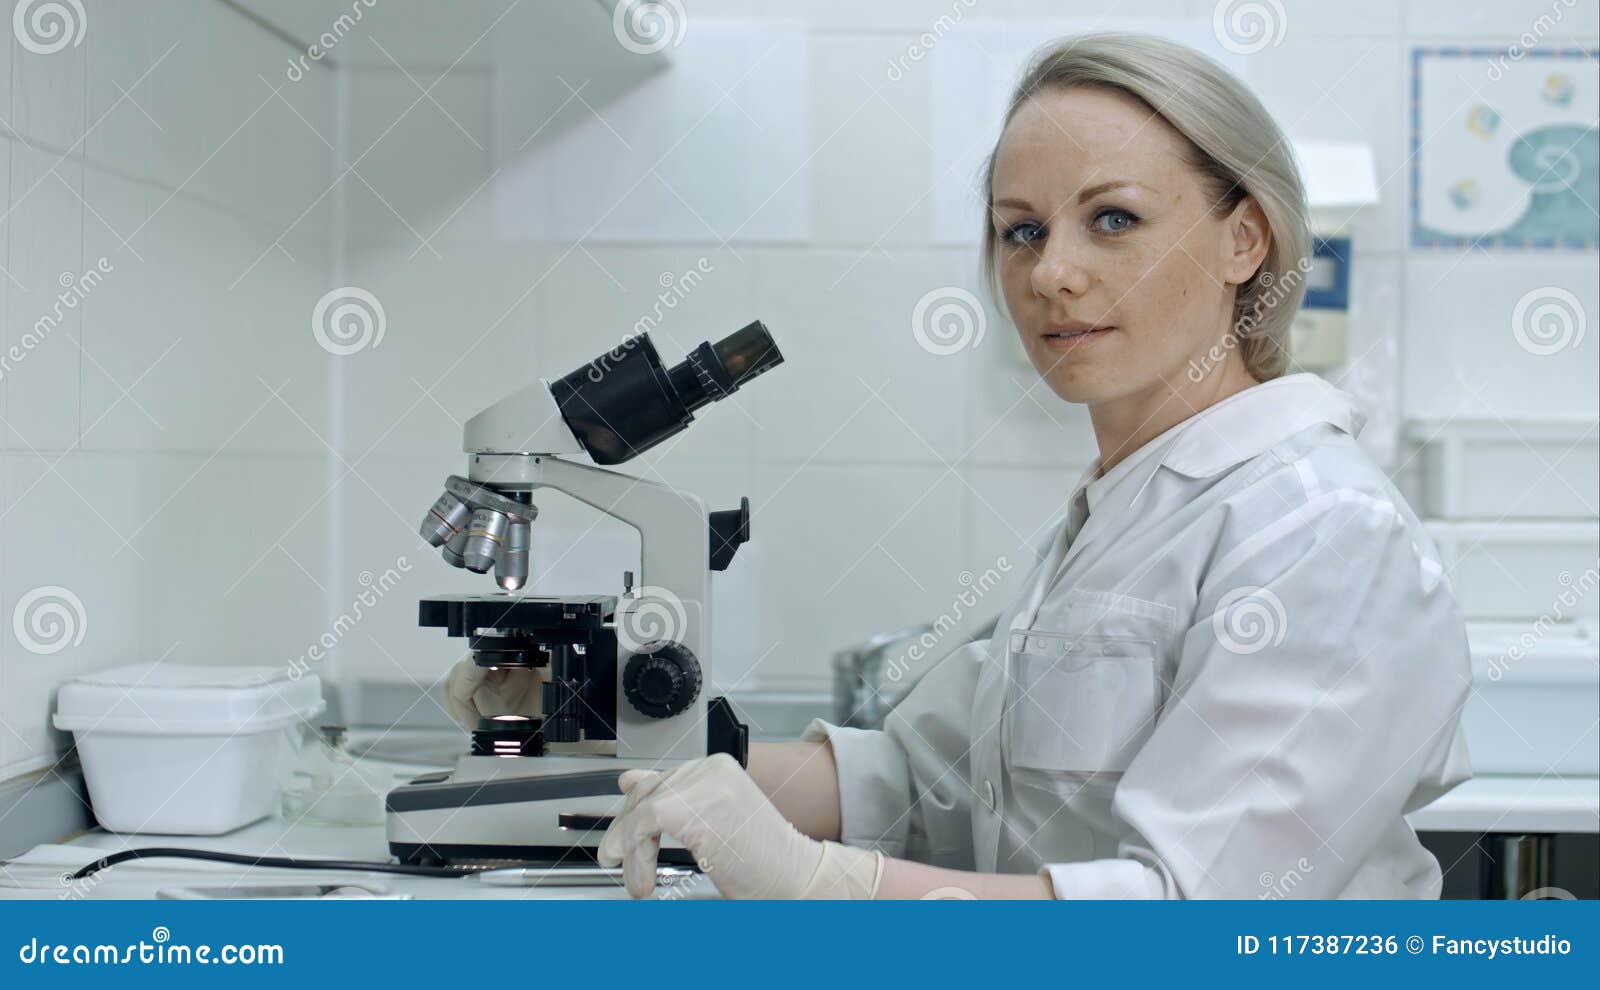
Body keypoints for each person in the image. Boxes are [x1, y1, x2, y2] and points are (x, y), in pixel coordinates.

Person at [446, 32, 1471, 900]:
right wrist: (594, 728)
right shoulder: (1117, 516)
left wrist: (819, 880)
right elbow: (919, 782)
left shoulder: (1317, 534)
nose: (1050, 274)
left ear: (1245, 237)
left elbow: (1181, 921)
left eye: (1111, 219)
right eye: (1020, 231)